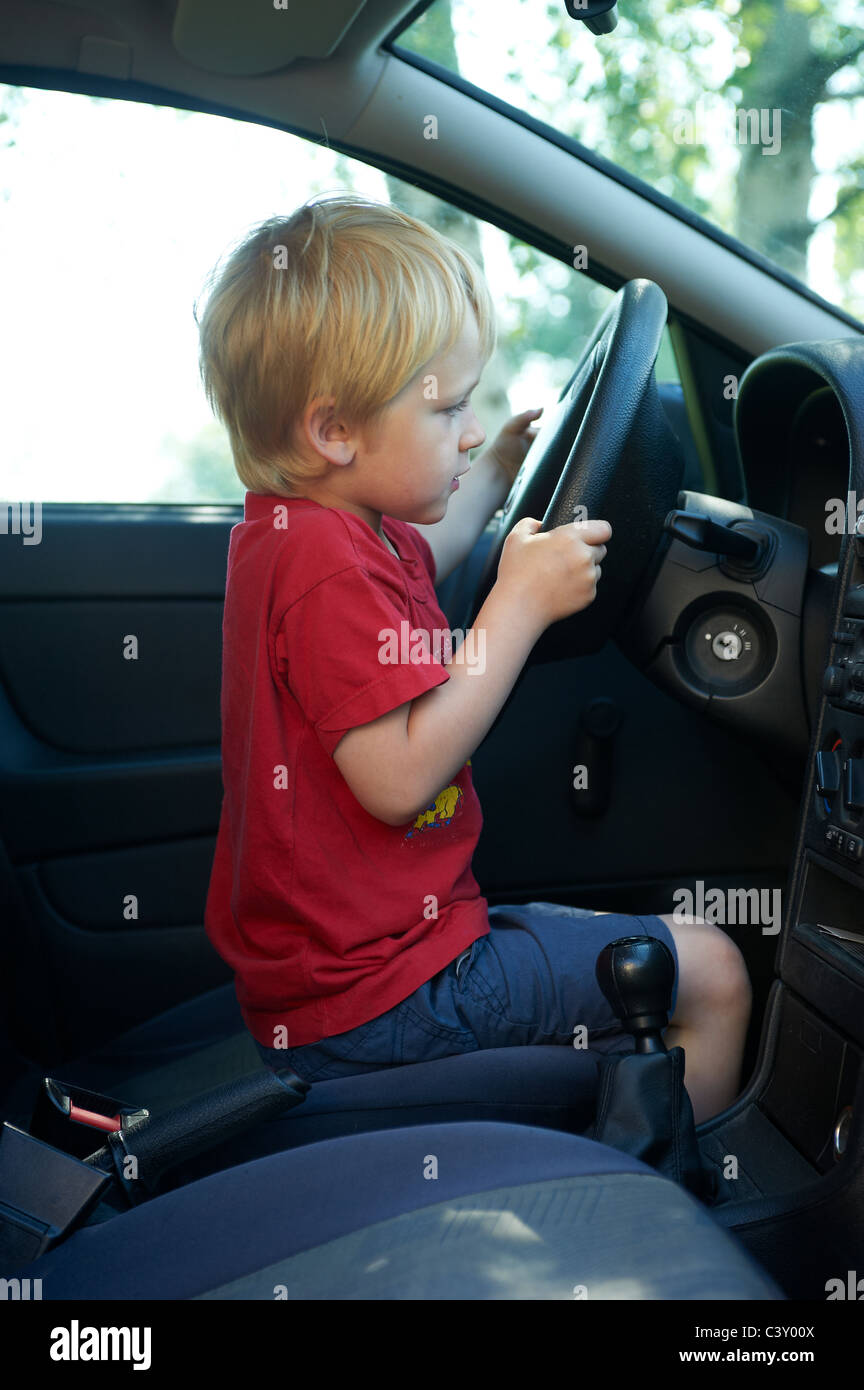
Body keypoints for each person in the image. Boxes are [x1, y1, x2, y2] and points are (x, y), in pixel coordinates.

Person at [198, 193, 751, 1125]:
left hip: (359, 974)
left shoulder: (323, 531)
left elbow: (433, 555)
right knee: (712, 969)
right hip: (384, 996)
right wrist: (519, 606)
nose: (464, 427)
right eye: (448, 408)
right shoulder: (325, 567)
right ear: (334, 432)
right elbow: (400, 776)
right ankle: (679, 1217)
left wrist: (493, 471)